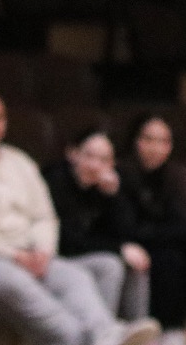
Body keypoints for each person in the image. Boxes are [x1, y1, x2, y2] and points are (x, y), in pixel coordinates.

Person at [0, 89, 157, 345]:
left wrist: (43, 253)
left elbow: (43, 217)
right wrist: (13, 255)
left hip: (23, 255)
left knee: (74, 277)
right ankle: (73, 343)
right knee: (12, 280)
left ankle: (105, 334)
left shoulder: (20, 162)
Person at [120, 113, 186, 345]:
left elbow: (181, 220)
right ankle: (158, 332)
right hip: (127, 244)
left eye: (163, 141)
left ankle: (175, 331)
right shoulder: (121, 175)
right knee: (168, 256)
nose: (155, 148)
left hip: (155, 241)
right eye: (148, 139)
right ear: (135, 141)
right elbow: (132, 230)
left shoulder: (168, 180)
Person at [42, 126, 152, 333]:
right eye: (89, 156)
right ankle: (103, 335)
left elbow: (128, 235)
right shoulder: (55, 181)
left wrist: (114, 198)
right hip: (59, 258)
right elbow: (66, 241)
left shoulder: (108, 187)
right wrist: (118, 249)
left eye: (104, 160)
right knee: (110, 264)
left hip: (88, 254)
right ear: (73, 154)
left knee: (137, 263)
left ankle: (138, 334)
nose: (95, 165)